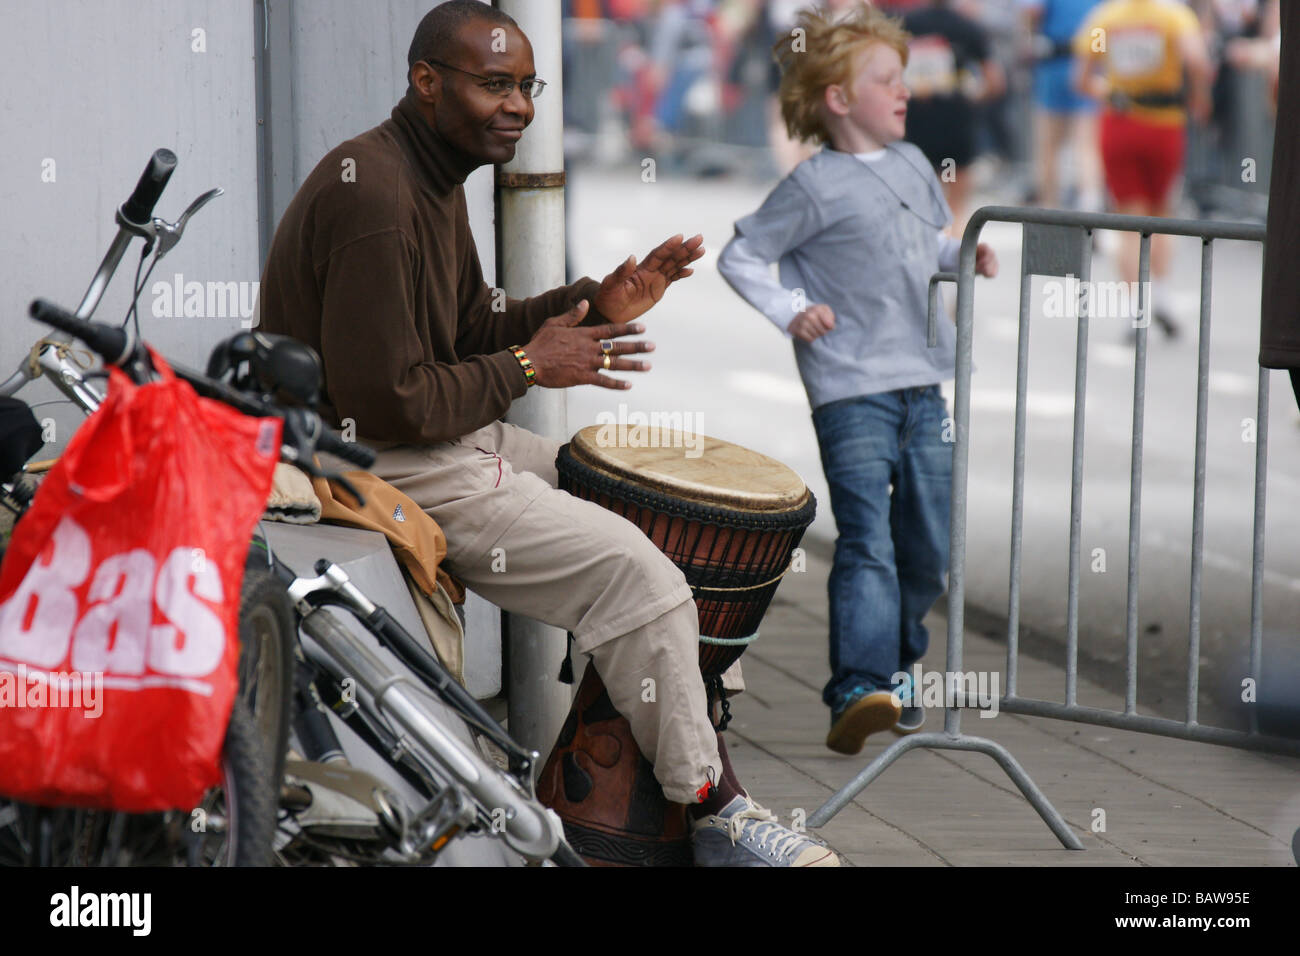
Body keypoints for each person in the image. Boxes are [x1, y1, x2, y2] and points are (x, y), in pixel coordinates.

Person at [256, 0, 836, 867]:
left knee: (658, 510)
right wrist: (531, 367)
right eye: (495, 84)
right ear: (425, 83)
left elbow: (468, 324)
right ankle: (714, 810)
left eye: (527, 85)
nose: (520, 105)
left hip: (439, 440)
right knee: (640, 573)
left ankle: (642, 774)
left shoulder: (430, 175)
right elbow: (388, 404)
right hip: (376, 464)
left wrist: (593, 305)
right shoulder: (375, 194)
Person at [717, 2, 997, 755]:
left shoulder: (912, 165)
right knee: (867, 537)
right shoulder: (813, 186)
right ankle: (855, 686)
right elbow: (740, 255)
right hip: (850, 390)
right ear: (840, 101)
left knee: (928, 545)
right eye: (888, 80)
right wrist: (792, 308)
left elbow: (927, 247)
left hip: (923, 383)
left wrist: (962, 258)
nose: (906, 90)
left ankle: (895, 663)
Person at [1072, 0, 1212, 338]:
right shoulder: (1173, 15)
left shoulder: (1107, 16)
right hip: (1164, 124)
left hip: (1120, 123)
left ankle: (1136, 306)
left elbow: (1082, 78)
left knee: (1129, 218)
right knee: (1161, 212)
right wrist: (1199, 99)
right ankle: (1160, 295)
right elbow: (1197, 61)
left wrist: (1114, 91)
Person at [898, 0, 1005, 233]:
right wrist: (970, 96)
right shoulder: (968, 27)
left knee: (918, 205)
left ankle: (929, 254)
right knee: (956, 208)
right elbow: (995, 82)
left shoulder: (906, 23)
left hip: (916, 121)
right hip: (956, 121)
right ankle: (954, 258)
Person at [1021, 0, 1103, 210]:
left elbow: (1031, 12)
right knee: (1086, 145)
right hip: (1085, 65)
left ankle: (1050, 207)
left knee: (1049, 145)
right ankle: (1089, 203)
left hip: (1055, 66)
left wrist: (1030, 41)